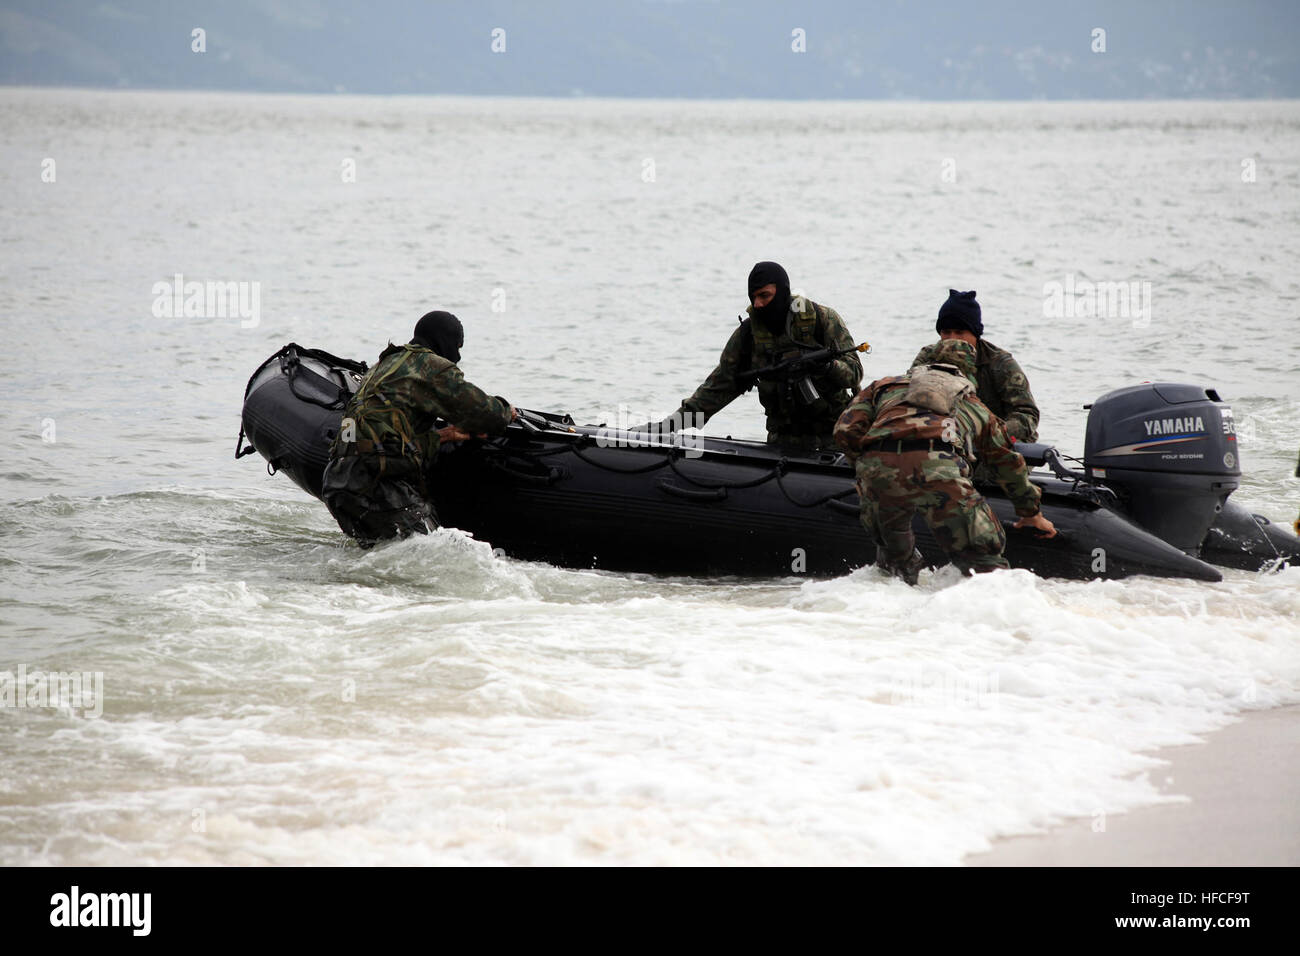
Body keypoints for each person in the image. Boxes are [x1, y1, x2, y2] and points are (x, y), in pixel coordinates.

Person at [832, 338, 1056, 585]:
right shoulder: (975, 405)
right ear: (968, 373)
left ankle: (895, 599)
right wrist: (1030, 512)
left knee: (893, 568)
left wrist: (864, 471)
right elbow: (1006, 462)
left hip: (878, 472)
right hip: (941, 473)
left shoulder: (884, 387)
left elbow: (844, 431)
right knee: (985, 564)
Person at [321, 310, 516, 547]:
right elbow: (488, 416)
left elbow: (385, 437)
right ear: (445, 341)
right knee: (438, 555)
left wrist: (441, 436)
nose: (458, 356)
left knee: (379, 562)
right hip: (377, 486)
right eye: (458, 346)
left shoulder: (384, 364)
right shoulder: (432, 367)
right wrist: (506, 409)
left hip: (337, 482)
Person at [640, 262, 863, 455]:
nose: (757, 304)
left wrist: (826, 366)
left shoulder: (821, 320)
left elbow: (854, 373)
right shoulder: (748, 336)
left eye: (764, 296)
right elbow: (717, 388)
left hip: (835, 438)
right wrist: (670, 425)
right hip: (782, 441)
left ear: (783, 291)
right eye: (753, 297)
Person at [911, 290, 1040, 442]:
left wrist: (993, 433)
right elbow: (908, 396)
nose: (952, 339)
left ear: (975, 334)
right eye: (946, 332)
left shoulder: (1000, 364)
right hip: (946, 432)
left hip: (996, 439)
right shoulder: (928, 357)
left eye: (959, 333)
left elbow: (1027, 414)